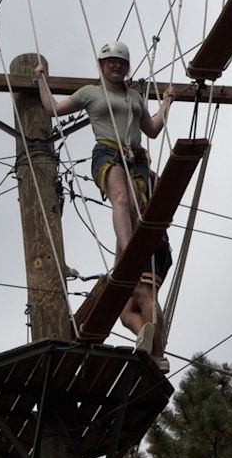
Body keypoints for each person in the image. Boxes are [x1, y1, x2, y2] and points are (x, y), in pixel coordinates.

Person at [33, 42, 175, 364]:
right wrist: (42, 79)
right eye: (111, 63)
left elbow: (151, 130)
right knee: (121, 199)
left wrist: (165, 105)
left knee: (138, 210)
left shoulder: (134, 98)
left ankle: (149, 343)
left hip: (135, 158)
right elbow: (53, 109)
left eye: (121, 64)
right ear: (101, 65)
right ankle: (129, 251)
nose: (116, 67)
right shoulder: (90, 94)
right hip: (108, 152)